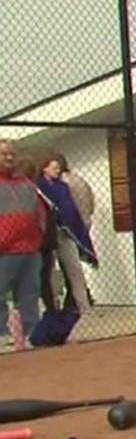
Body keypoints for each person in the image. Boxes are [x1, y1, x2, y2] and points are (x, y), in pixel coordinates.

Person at [0, 138, 49, 350]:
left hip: (30, 248)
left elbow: (40, 213)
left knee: (30, 292)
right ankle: (2, 335)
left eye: (12, 153)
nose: (9, 157)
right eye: (4, 154)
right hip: (4, 250)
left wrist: (39, 236)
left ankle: (32, 333)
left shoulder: (27, 183)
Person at [36, 156, 97, 315]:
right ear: (44, 168)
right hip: (47, 234)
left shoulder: (63, 186)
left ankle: (84, 306)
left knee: (74, 268)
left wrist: (75, 227)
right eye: (53, 168)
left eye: (58, 168)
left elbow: (71, 209)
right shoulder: (38, 186)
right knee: (48, 271)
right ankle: (51, 307)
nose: (57, 171)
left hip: (65, 232)